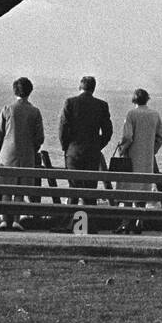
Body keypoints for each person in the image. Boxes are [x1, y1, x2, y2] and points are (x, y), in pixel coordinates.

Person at [57, 75, 114, 231]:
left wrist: (66, 147)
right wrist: (98, 145)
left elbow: (63, 129)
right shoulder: (101, 105)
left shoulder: (70, 103)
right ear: (93, 88)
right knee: (90, 189)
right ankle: (87, 225)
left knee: (73, 188)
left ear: (79, 87)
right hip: (92, 152)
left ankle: (71, 224)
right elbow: (108, 132)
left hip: (73, 152)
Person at [0, 77, 45, 231]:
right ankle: (16, 220)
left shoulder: (7, 109)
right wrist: (32, 148)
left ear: (14, 90)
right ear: (30, 91)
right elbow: (39, 137)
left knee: (6, 190)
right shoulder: (35, 111)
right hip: (26, 155)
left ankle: (4, 220)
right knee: (20, 190)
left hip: (7, 155)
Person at [113, 88, 162, 234]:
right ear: (147, 99)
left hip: (131, 158)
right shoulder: (155, 115)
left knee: (128, 190)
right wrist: (151, 150)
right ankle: (138, 222)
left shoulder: (131, 114)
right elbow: (160, 137)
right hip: (147, 159)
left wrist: (122, 149)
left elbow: (128, 136)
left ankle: (125, 223)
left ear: (134, 99)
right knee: (142, 189)